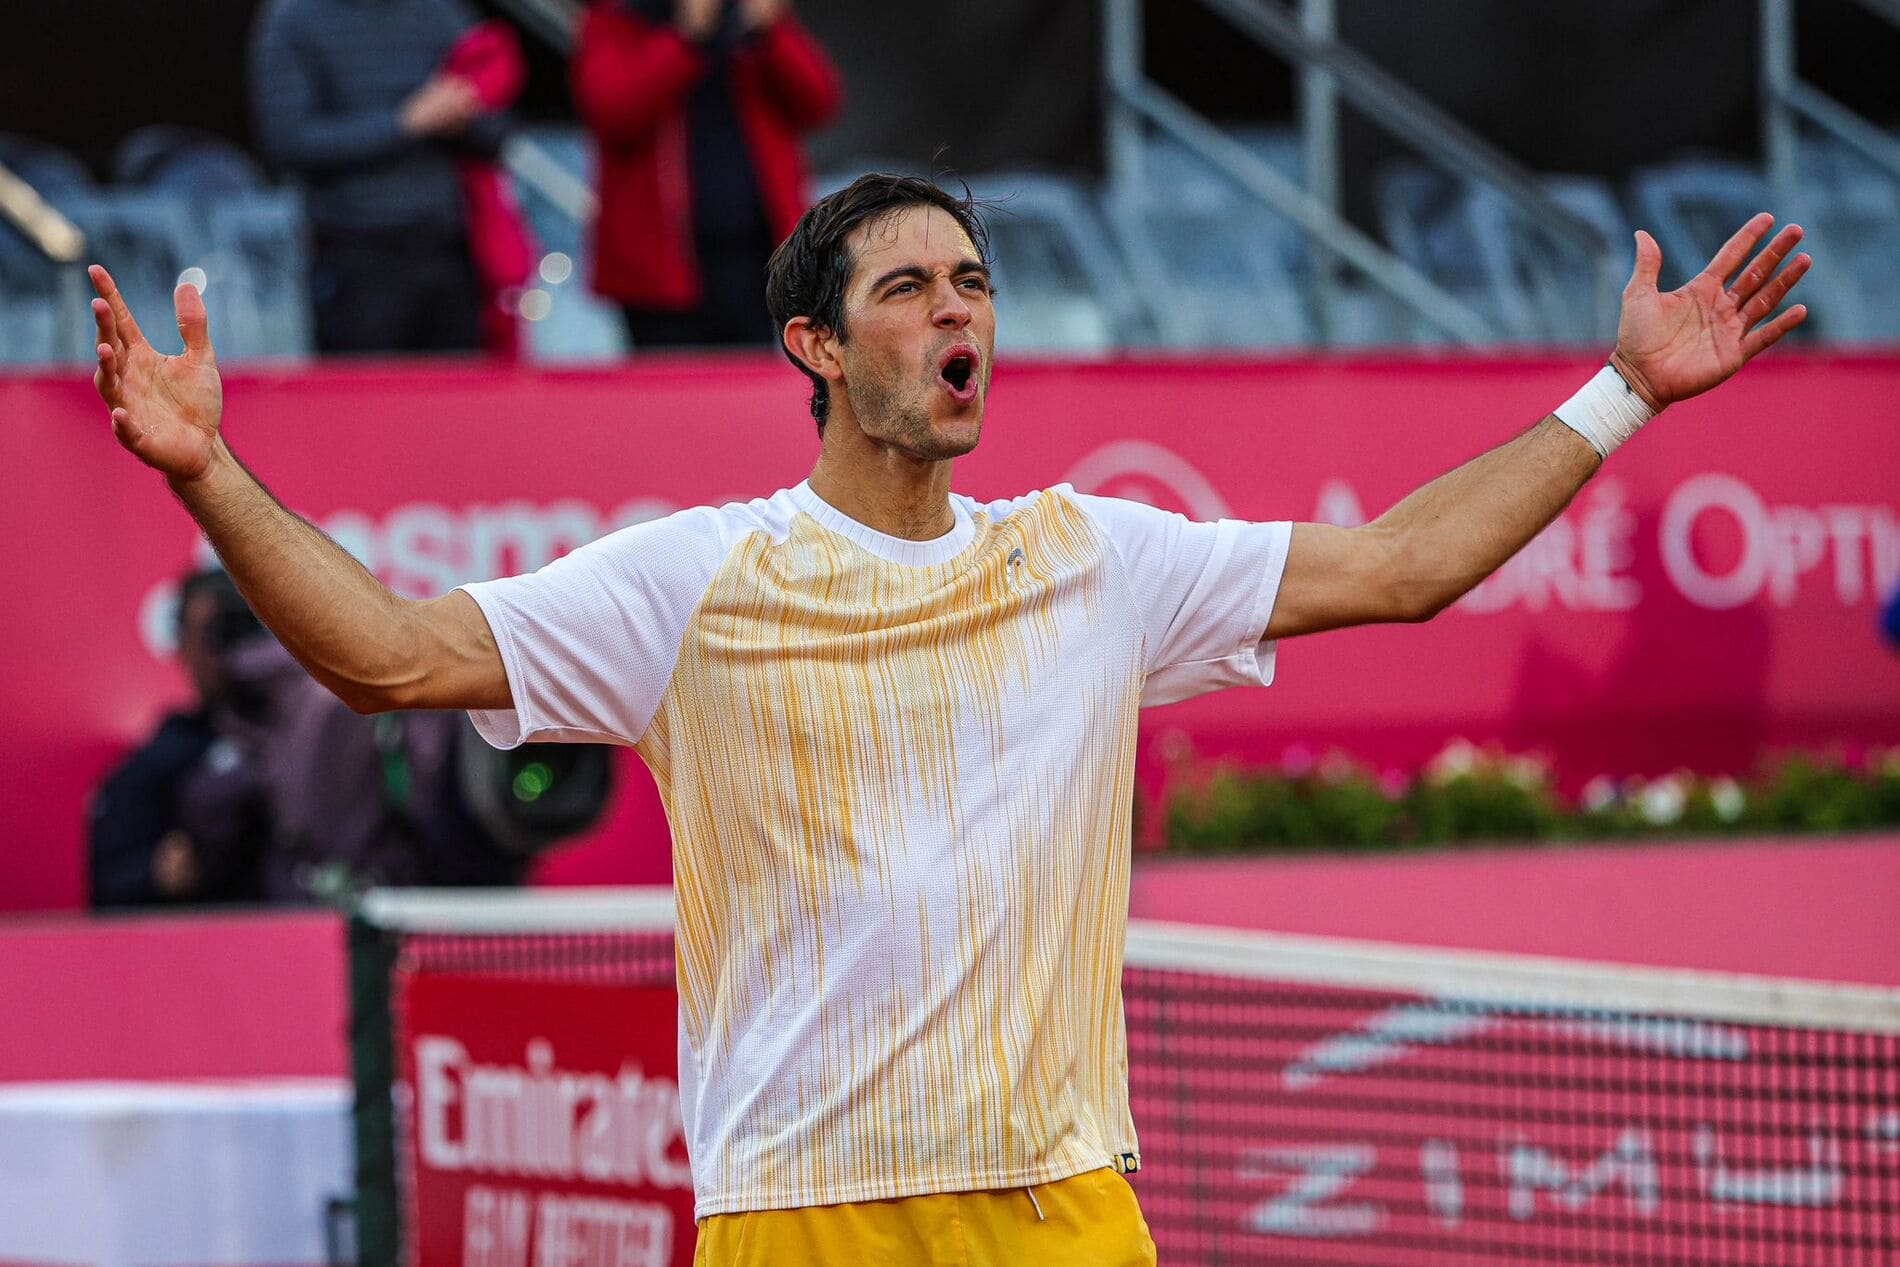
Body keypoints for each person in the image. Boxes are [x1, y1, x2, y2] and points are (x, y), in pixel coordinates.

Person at [85, 172, 1808, 1262]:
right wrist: (209, 470)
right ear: (814, 346)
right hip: (801, 1217)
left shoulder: (1096, 564)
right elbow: (387, 656)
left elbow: (1408, 563)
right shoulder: (696, 580)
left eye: (971, 281)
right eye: (908, 287)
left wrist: (1624, 391)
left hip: (1059, 1207)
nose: (956, 308)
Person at [249, 0, 517, 354]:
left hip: (449, 251)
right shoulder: (295, 18)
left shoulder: (439, 12)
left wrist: (462, 116)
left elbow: (497, 132)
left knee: (458, 402)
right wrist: (406, 123)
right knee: (359, 404)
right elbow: (289, 141)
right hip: (354, 255)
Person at [573, 0, 841, 347]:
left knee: (746, 390)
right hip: (658, 276)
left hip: (753, 261)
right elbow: (613, 110)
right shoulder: (619, 18)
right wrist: (686, 39)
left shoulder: (747, 20)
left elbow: (819, 101)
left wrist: (770, 34)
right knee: (667, 392)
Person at [89, 569, 281, 907]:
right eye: (215, 631)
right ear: (181, 643)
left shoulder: (310, 737)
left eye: (243, 625)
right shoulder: (157, 763)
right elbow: (105, 888)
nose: (225, 649)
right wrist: (156, 874)